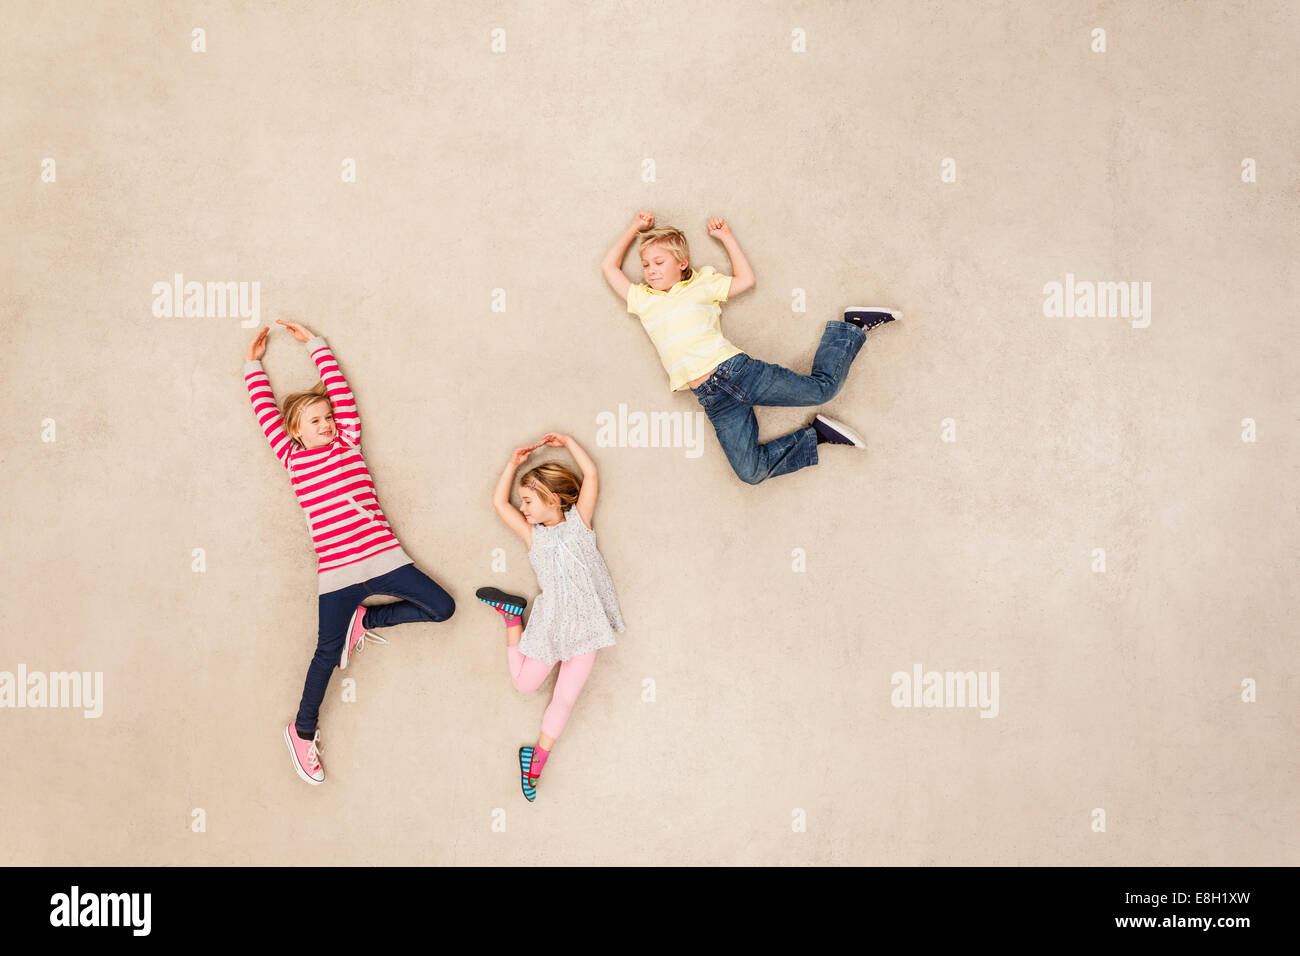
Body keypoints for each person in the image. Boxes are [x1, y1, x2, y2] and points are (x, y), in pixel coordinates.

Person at [243, 321, 455, 785]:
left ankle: (369, 619)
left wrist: (314, 344)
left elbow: (340, 391)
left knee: (442, 608)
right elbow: (264, 413)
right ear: (294, 433)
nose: (326, 424)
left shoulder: (348, 444)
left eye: (328, 417)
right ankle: (301, 733)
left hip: (385, 558)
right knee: (324, 654)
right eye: (315, 421)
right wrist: (253, 365)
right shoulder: (292, 457)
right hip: (337, 574)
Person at [601, 210, 901, 484]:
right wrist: (633, 228)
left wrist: (726, 237)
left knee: (824, 390)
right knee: (750, 472)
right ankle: (816, 435)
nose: (650, 271)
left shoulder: (700, 285)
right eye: (645, 265)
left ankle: (852, 326)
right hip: (713, 400)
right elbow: (609, 266)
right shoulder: (643, 300)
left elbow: (746, 280)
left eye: (658, 262)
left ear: (681, 263)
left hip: (737, 372)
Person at [475, 433, 624, 801]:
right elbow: (498, 502)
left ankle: (537, 760)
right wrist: (513, 463)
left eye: (528, 501)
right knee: (525, 685)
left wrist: (568, 442)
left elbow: (590, 474)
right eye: (522, 501)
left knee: (565, 698)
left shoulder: (579, 523)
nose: (523, 507)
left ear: (553, 499)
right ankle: (512, 617)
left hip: (588, 626)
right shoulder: (532, 536)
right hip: (551, 622)